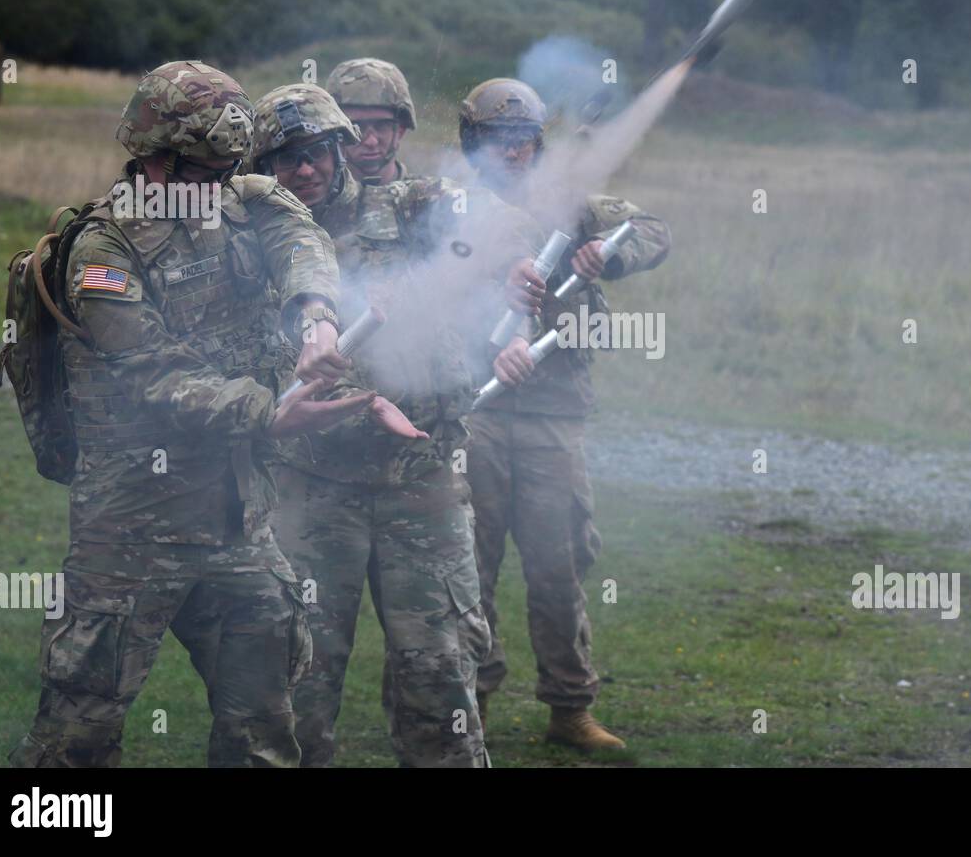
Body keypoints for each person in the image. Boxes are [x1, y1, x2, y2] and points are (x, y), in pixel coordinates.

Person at [9, 61, 389, 768]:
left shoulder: (243, 199)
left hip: (235, 521)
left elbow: (303, 241)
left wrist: (317, 321)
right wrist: (269, 413)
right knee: (78, 731)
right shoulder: (103, 248)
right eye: (202, 173)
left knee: (264, 726)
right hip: (131, 528)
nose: (216, 189)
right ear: (154, 159)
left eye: (224, 171)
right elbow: (151, 377)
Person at [252, 82, 543, 766]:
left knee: (441, 669)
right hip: (313, 486)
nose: (305, 169)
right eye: (285, 157)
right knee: (296, 673)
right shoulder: (251, 240)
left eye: (318, 152)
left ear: (339, 151)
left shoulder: (407, 203)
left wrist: (516, 283)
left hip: (422, 476)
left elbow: (497, 222)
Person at [459, 78, 671, 750]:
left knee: (558, 563)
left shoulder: (570, 201)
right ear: (474, 144)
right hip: (474, 410)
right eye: (499, 141)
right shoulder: (448, 206)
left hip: (552, 413)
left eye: (523, 141)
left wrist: (605, 255)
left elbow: (653, 230)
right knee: (470, 566)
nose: (513, 154)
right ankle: (473, 701)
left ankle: (570, 708)